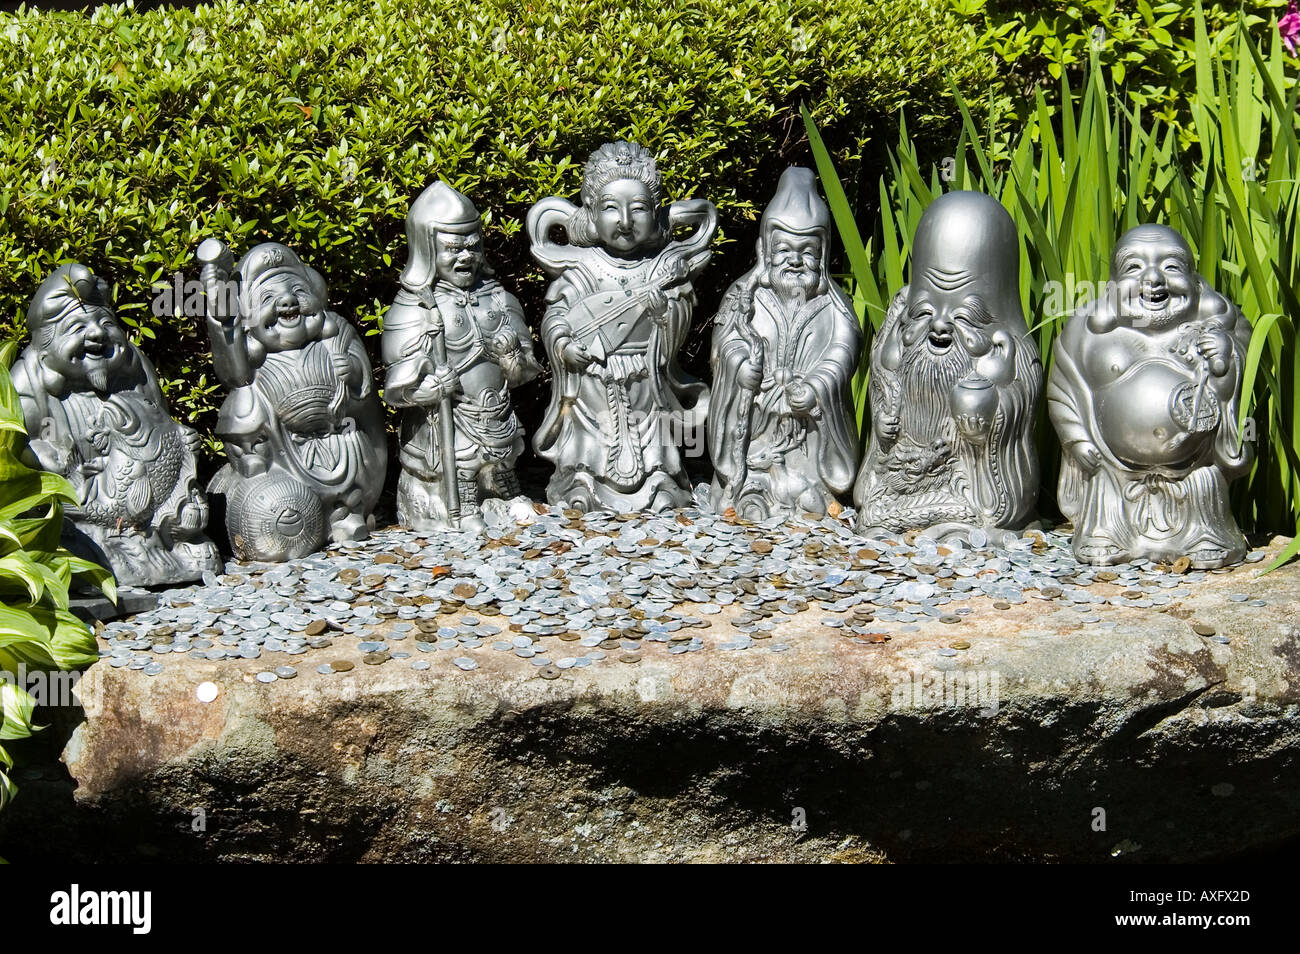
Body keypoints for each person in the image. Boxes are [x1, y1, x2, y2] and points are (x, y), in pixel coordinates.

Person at [527, 141, 715, 512]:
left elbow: (678, 322)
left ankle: (661, 482)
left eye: (639, 208)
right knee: (588, 434)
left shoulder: (663, 267)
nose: (625, 221)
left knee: (655, 436)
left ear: (656, 213)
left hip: (647, 375)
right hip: (592, 378)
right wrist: (564, 346)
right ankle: (581, 484)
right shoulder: (582, 267)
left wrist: (665, 316)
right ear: (592, 214)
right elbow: (556, 318)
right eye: (611, 208)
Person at [1047, 224, 1251, 567]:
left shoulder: (1215, 325)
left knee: (1204, 482)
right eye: (1134, 267)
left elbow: (1234, 390)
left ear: (1195, 281)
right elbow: (1063, 390)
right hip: (1114, 469)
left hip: (1192, 467)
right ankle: (1106, 533)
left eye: (1171, 266)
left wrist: (1224, 357)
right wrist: (1077, 440)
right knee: (1105, 488)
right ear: (1111, 285)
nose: (1153, 280)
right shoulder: (1086, 331)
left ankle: (1205, 534)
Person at [12, 264, 220, 585]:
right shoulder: (28, 381)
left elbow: (161, 422)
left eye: (104, 323)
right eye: (77, 327)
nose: (96, 334)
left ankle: (157, 540)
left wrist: (181, 438)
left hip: (147, 502)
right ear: (47, 345)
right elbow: (22, 451)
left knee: (191, 516)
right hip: (83, 505)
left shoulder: (133, 367)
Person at [382, 182, 540, 531]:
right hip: (447, 421)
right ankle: (462, 510)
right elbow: (396, 390)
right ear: (426, 248)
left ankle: (505, 493)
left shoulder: (497, 297)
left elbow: (526, 372)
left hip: (494, 407)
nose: (466, 256)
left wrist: (513, 355)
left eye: (472, 246)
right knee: (463, 458)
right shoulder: (414, 307)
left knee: (504, 452)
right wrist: (429, 388)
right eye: (453, 249)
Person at [708, 167, 860, 519]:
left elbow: (843, 352)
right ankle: (749, 487)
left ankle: (810, 490)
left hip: (807, 426)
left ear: (823, 255)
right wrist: (742, 368)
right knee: (750, 473)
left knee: (810, 490)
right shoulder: (743, 295)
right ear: (765, 250)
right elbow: (726, 341)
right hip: (757, 421)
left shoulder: (835, 307)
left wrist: (817, 386)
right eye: (784, 250)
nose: (795, 260)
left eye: (807, 251)